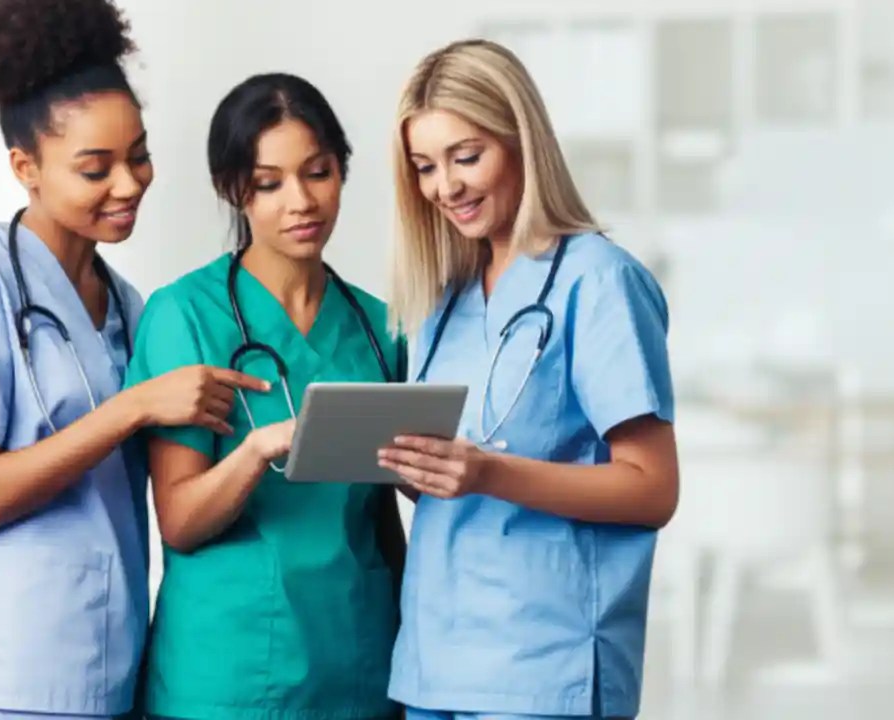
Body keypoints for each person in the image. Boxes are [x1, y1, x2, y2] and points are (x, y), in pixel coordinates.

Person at [0, 1, 266, 717]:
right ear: (26, 167)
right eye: (95, 168)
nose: (130, 183)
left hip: (110, 663)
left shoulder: (129, 306)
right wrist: (132, 407)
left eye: (138, 155)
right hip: (13, 676)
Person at [376, 39, 680, 720]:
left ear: (523, 141)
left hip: (546, 661)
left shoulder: (598, 281)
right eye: (425, 167)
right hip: (436, 659)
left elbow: (653, 488)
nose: (444, 187)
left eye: (466, 156)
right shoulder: (442, 299)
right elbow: (459, 486)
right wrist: (412, 466)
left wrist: (486, 473)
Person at [124, 73, 407, 720]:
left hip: (358, 669)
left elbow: (381, 519)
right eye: (269, 183)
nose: (301, 201)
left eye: (319, 172)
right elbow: (180, 521)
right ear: (233, 190)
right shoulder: (185, 318)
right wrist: (256, 451)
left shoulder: (376, 327)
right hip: (229, 672)